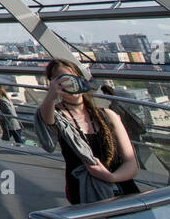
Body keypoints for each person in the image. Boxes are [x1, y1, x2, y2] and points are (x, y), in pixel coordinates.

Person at [34, 60, 139, 205]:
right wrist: (51, 96)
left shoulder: (108, 116)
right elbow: (47, 120)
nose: (71, 84)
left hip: (122, 188)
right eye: (63, 80)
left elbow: (131, 163)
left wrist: (109, 177)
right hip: (84, 191)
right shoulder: (58, 117)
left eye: (73, 78)